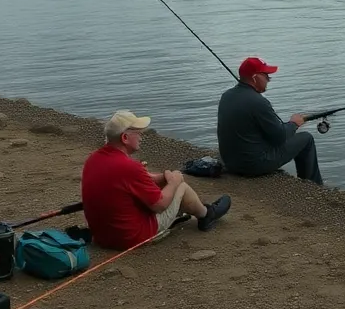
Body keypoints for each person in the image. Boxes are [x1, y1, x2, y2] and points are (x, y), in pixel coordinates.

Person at [81, 110, 230, 250]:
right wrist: (175, 181)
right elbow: (159, 205)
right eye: (138, 133)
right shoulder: (129, 167)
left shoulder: (93, 159)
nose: (141, 136)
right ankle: (206, 214)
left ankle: (200, 210)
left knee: (169, 185)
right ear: (125, 138)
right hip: (130, 237)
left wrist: (162, 178)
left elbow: (132, 183)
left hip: (102, 236)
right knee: (181, 187)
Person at [216, 56, 323, 185]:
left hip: (229, 162)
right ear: (255, 77)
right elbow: (280, 137)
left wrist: (285, 127)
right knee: (306, 138)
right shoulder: (258, 102)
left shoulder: (226, 96)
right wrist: (294, 124)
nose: (268, 79)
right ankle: (313, 185)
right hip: (251, 166)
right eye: (266, 75)